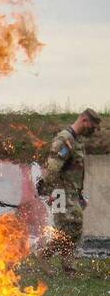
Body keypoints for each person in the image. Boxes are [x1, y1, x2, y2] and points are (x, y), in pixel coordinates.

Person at [39, 108, 102, 260]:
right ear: (84, 121)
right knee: (72, 228)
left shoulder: (76, 140)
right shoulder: (65, 139)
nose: (94, 131)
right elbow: (53, 167)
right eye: (92, 127)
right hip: (61, 193)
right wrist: (49, 192)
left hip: (71, 193)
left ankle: (69, 267)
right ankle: (43, 255)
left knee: (67, 229)